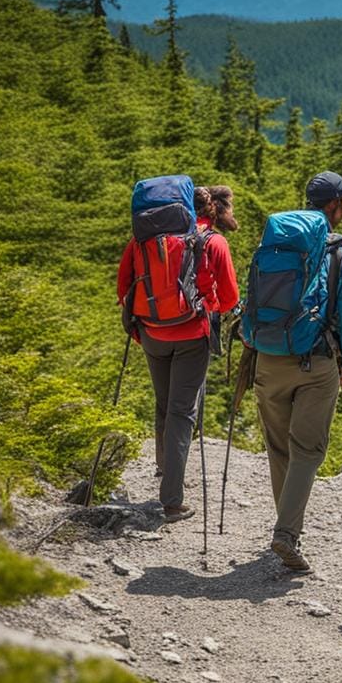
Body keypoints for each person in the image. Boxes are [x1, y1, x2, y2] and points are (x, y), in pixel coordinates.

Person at [249, 171, 342, 573]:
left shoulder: (273, 248)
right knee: (308, 450)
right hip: (317, 364)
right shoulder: (341, 258)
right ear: (334, 205)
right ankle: (286, 533)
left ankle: (286, 526)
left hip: (268, 358)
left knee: (279, 447)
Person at [117, 177, 239, 523]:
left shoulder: (142, 240)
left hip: (152, 333)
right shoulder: (212, 242)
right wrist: (207, 307)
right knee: (182, 412)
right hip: (191, 335)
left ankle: (165, 467)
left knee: (164, 403)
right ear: (213, 212)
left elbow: (123, 287)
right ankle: (172, 501)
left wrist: (148, 320)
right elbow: (229, 298)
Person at [193, 185, 239, 352]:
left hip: (156, 324)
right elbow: (229, 295)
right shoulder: (215, 242)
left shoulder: (168, 235)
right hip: (199, 324)